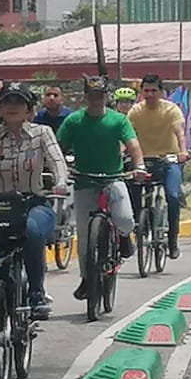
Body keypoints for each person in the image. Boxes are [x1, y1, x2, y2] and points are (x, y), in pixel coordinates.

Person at [0, 83, 68, 320]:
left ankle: (36, 293)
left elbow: (57, 162)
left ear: (29, 109)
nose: (12, 107)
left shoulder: (42, 133)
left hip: (34, 204)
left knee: (31, 230)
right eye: (7, 102)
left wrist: (60, 182)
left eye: (18, 102)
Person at [57, 76, 150, 299]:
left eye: (100, 96)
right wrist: (59, 169)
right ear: (85, 97)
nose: (95, 100)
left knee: (126, 219)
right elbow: (58, 148)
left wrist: (139, 166)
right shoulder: (73, 121)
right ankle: (87, 280)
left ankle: (125, 238)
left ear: (105, 97)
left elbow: (133, 145)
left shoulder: (118, 120)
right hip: (84, 181)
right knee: (85, 236)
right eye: (91, 96)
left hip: (113, 178)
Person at [128, 74, 190, 258]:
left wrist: (183, 151)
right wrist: (120, 151)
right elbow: (128, 136)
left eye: (154, 90)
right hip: (143, 161)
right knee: (131, 189)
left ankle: (172, 238)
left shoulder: (171, 110)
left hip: (168, 160)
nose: (150, 94)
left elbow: (180, 133)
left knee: (172, 195)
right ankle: (138, 226)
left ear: (161, 92)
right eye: (146, 91)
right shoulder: (135, 111)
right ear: (141, 92)